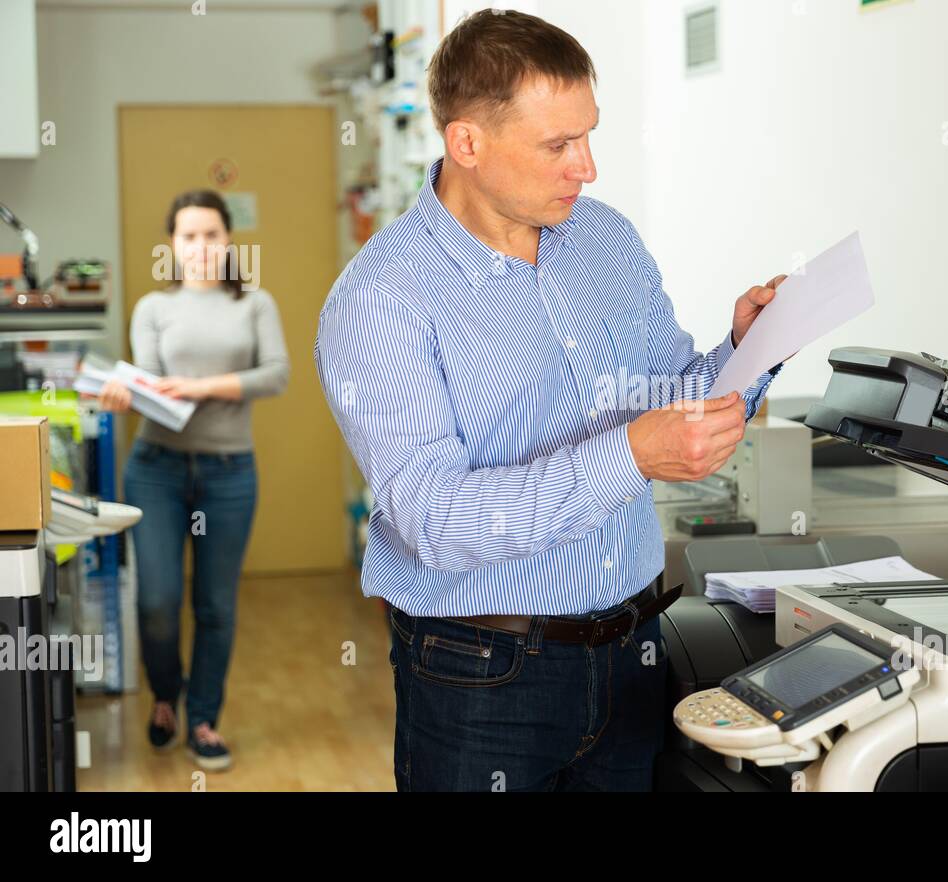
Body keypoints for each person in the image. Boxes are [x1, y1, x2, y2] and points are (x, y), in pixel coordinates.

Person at [314, 9, 786, 791]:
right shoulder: (381, 301)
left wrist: (750, 351)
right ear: (467, 143)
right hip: (482, 677)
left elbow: (667, 395)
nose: (588, 167)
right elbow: (435, 519)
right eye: (559, 145)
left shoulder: (607, 240)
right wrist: (631, 453)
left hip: (635, 652)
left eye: (589, 135)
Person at [99, 189, 289, 771]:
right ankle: (165, 696)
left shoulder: (255, 303)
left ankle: (203, 719)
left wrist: (201, 387)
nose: (201, 246)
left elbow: (275, 375)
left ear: (228, 240)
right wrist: (127, 395)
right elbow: (151, 385)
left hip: (229, 474)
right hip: (155, 470)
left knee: (214, 605)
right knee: (157, 600)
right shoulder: (153, 308)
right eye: (189, 236)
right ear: (172, 245)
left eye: (211, 234)